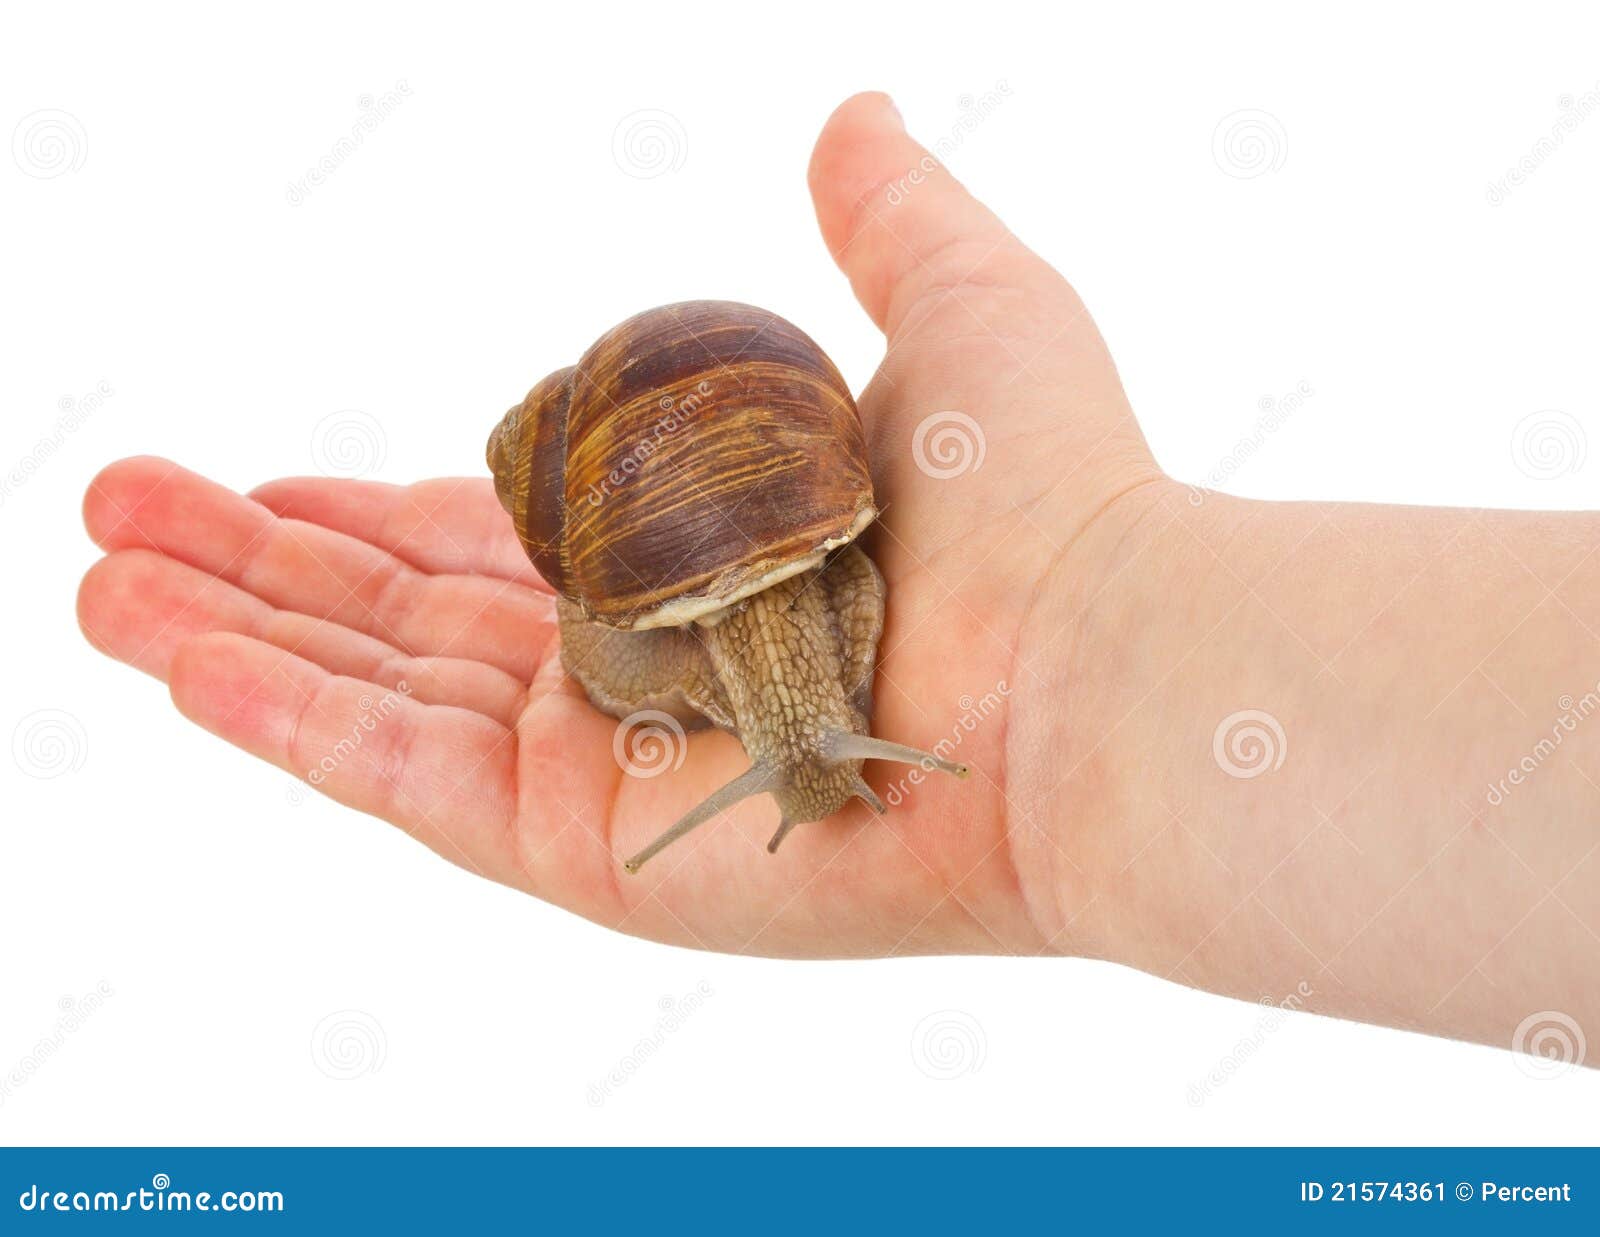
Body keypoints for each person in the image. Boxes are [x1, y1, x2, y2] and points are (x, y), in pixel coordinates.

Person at [76, 93, 1596, 1060]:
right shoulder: (628, 564)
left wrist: (1093, 628)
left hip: (763, 577)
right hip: (701, 573)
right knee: (741, 647)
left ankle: (798, 731)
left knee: (759, 659)